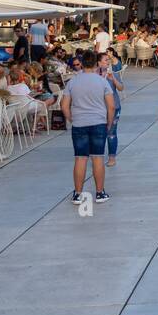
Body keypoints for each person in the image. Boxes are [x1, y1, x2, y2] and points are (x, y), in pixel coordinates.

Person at [61, 50, 114, 205]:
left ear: (82, 64)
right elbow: (111, 106)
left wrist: (71, 118)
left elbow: (64, 106)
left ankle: (78, 194)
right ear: (96, 64)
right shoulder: (102, 82)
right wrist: (108, 123)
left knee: (80, 158)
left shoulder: (72, 82)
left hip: (79, 124)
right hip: (98, 123)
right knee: (97, 158)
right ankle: (99, 192)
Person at [99, 51, 124, 166]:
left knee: (111, 132)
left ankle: (112, 157)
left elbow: (121, 88)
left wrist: (113, 78)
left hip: (114, 107)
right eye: (106, 60)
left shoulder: (113, 73)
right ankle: (97, 156)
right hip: (99, 108)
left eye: (108, 60)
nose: (108, 62)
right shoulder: (95, 77)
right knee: (99, 133)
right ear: (98, 63)